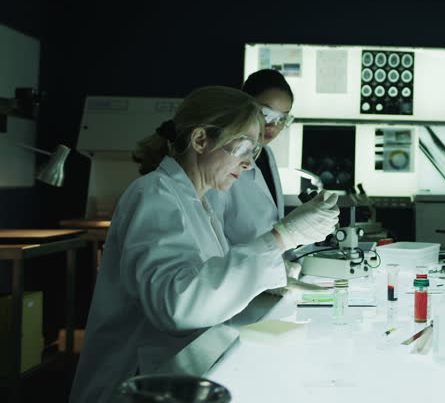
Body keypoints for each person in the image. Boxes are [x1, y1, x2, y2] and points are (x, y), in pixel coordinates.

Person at [70, 86, 339, 403]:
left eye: (254, 153)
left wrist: (266, 279)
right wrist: (282, 237)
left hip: (173, 374)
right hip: (137, 383)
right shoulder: (154, 194)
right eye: (242, 150)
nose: (249, 165)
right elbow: (178, 305)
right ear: (200, 140)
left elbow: (207, 281)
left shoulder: (200, 203)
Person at [208, 69, 296, 247]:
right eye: (265, 113)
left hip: (264, 266)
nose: (273, 125)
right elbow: (213, 241)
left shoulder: (266, 154)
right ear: (243, 104)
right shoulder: (218, 159)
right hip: (237, 269)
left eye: (282, 118)